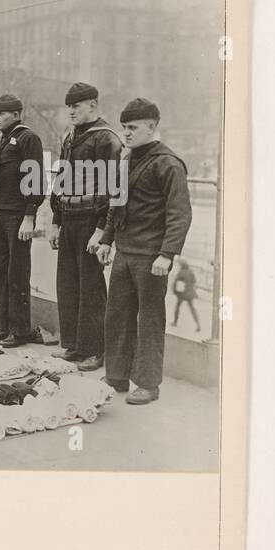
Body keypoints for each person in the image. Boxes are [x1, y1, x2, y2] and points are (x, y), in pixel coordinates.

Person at [96, 98, 192, 405]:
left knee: (149, 319)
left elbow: (180, 214)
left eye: (133, 127)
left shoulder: (168, 164)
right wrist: (107, 240)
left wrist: (167, 254)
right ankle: (117, 375)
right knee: (117, 316)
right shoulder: (127, 160)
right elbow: (116, 206)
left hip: (151, 257)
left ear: (152, 127)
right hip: (124, 252)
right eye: (124, 127)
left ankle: (149, 384)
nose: (126, 132)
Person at [48, 81, 123, 372]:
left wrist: (102, 230)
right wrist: (55, 221)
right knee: (68, 285)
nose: (71, 111)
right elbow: (60, 182)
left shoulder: (107, 139)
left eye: (76, 106)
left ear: (92, 104)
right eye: (69, 106)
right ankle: (75, 346)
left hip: (92, 221)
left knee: (91, 287)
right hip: (69, 219)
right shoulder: (70, 138)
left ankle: (95, 350)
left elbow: (115, 190)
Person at [0, 93, 45, 347]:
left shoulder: (28, 138)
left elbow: (36, 180)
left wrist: (29, 216)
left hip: (18, 216)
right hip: (1, 215)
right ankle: (4, 327)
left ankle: (21, 331)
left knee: (17, 274)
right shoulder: (3, 140)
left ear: (17, 114)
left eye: (2, 112)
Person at [172, 260, 201, 332]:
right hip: (190, 294)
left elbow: (175, 283)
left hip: (182, 294)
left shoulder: (181, 272)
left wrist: (175, 292)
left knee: (177, 308)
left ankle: (175, 322)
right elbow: (194, 282)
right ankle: (198, 325)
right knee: (192, 309)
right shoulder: (191, 272)